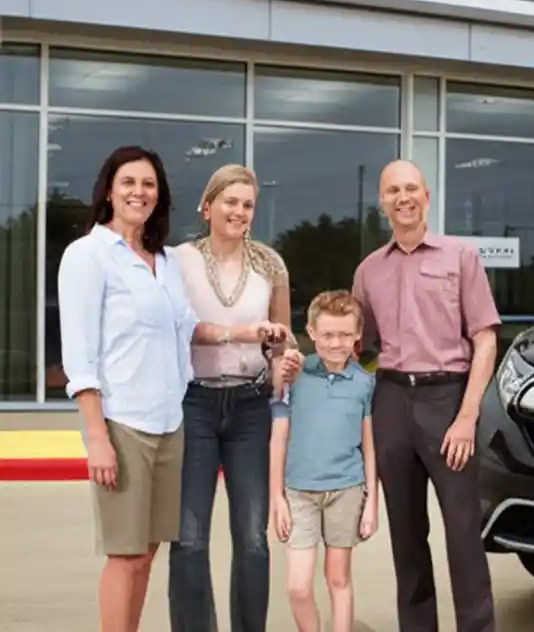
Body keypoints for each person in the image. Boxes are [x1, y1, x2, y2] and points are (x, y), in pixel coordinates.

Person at [57, 146, 288, 632]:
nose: (139, 192)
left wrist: (247, 334)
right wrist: (97, 437)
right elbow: (80, 357)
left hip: (170, 424)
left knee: (146, 552)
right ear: (109, 191)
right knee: (126, 554)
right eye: (129, 182)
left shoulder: (161, 261)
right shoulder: (88, 255)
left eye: (148, 184)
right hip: (124, 422)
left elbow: (187, 327)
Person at [351, 160, 501, 632]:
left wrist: (467, 416)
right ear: (382, 201)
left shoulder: (460, 257)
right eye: (393, 190)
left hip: (448, 401)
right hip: (392, 402)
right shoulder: (368, 270)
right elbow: (356, 347)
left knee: (463, 532)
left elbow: (485, 339)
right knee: (406, 536)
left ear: (427, 196)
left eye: (411, 188)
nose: (403, 198)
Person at [169, 164, 303, 632]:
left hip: (250, 406)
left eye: (248, 205)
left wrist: (286, 362)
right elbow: (173, 329)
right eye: (230, 201)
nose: (240, 211)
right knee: (189, 539)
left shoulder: (270, 263)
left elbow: (283, 339)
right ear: (207, 206)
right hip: (193, 403)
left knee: (252, 540)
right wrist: (239, 333)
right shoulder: (178, 261)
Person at [268, 290, 379, 632]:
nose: (335, 343)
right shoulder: (295, 375)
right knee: (297, 587)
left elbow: (369, 446)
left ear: (357, 334)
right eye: (327, 334)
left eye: (345, 335)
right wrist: (277, 497)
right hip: (298, 493)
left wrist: (372, 502)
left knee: (338, 579)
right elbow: (279, 437)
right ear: (312, 332)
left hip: (346, 490)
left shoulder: (365, 383)